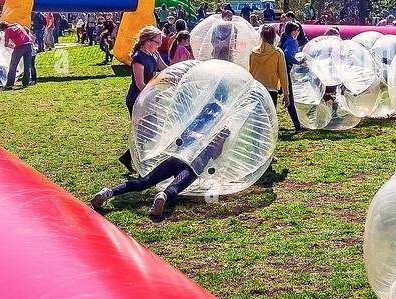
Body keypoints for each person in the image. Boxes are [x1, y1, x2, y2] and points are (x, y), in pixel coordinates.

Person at [91, 127, 231, 221]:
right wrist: (220, 141)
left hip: (175, 159)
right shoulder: (218, 132)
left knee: (144, 182)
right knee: (175, 187)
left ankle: (108, 192)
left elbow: (180, 141)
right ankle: (162, 197)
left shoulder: (198, 127)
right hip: (193, 167)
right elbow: (215, 156)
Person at [250, 23, 302, 131]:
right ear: (274, 37)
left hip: (256, 88)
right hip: (271, 89)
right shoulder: (278, 53)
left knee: (257, 117)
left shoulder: (253, 53)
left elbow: (251, 72)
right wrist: (286, 94)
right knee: (269, 117)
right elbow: (283, 75)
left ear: (261, 36)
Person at [125, 27, 167, 114]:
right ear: (148, 41)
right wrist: (152, 96)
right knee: (142, 127)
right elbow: (140, 84)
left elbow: (165, 69)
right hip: (137, 99)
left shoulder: (155, 54)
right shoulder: (138, 58)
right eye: (157, 43)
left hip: (149, 96)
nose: (159, 46)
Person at [0, 20, 37, 88]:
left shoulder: (7, 31)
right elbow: (24, 30)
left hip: (19, 47)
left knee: (13, 65)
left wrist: (12, 46)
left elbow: (6, 44)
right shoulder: (17, 25)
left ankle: (10, 83)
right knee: (27, 66)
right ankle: (26, 82)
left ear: (3, 29)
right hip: (29, 45)